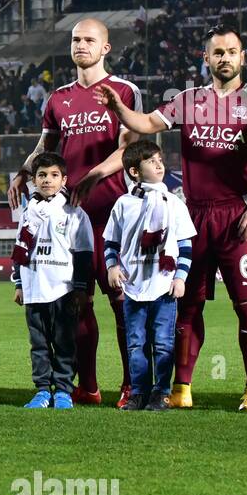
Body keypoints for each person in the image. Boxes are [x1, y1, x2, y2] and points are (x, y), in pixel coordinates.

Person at [94, 25, 247, 412]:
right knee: (185, 303)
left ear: (243, 56)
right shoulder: (186, 101)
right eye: (218, 52)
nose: (225, 58)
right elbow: (145, 124)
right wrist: (118, 110)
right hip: (192, 216)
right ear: (206, 58)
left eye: (232, 51)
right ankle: (181, 386)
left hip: (237, 214)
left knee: (246, 305)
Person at [10, 19, 140, 407]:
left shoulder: (123, 91)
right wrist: (23, 171)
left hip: (114, 215)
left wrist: (93, 177)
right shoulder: (58, 99)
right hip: (70, 221)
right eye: (76, 39)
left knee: (122, 302)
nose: (81, 45)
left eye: (89, 40)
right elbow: (46, 146)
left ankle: (132, 384)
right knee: (76, 302)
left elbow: (129, 148)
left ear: (106, 47)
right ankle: (88, 386)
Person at [103, 141, 197, 411]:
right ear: (134, 171)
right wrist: (112, 267)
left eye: (160, 158)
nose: (159, 164)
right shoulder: (123, 204)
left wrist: (180, 278)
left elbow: (185, 245)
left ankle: (161, 392)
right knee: (136, 344)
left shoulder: (175, 203)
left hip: (164, 287)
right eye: (151, 161)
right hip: (133, 287)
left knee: (164, 344)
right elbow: (111, 242)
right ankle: (139, 392)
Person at [11, 152, 93, 409]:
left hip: (62, 289)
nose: (48, 180)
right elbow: (19, 248)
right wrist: (18, 284)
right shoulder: (28, 210)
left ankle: (64, 391)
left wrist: (81, 288)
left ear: (64, 179)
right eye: (42, 176)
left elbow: (84, 252)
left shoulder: (73, 211)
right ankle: (43, 390)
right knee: (38, 344)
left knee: (64, 342)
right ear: (33, 180)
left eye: (54, 175)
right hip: (34, 288)